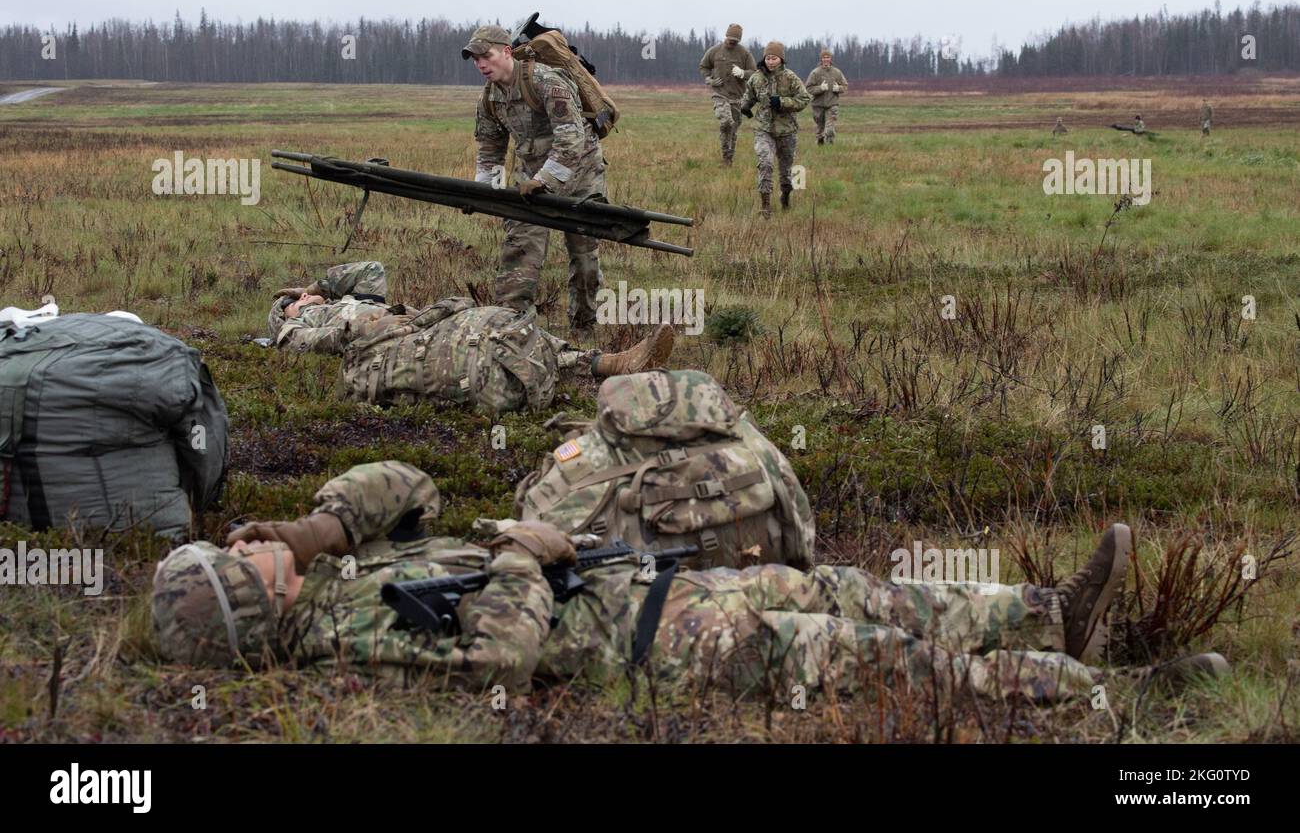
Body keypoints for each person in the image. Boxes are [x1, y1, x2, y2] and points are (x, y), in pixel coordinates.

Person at [152, 463, 1229, 703]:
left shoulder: (334, 565)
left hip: (650, 591)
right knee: (885, 663)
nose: (249, 544)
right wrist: (530, 553)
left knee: (850, 592)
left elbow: (410, 480)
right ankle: (1117, 695)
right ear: (255, 606)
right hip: (656, 647)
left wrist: (316, 523)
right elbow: (498, 655)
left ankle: (1054, 615)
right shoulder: (343, 638)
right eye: (240, 559)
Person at [267, 261, 674, 382]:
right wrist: (298, 311)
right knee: (493, 340)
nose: (303, 298)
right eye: (296, 300)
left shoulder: (345, 299)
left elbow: (370, 270)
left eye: (302, 296)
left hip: (420, 320)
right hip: (395, 342)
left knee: (506, 321)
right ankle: (607, 367)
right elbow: (317, 344)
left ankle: (607, 362)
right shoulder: (296, 327)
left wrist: (319, 285)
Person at [465, 24, 606, 331]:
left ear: (505, 52)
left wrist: (545, 181)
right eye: (475, 60)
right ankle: (509, 324)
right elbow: (491, 149)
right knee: (521, 245)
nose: (480, 65)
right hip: (531, 175)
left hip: (580, 172)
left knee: (583, 253)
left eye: (485, 56)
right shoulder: (489, 97)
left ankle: (584, 327)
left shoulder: (545, 81)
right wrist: (483, 191)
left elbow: (571, 140)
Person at [740, 42, 812, 217]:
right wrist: (745, 106)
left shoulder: (791, 77)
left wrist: (783, 102)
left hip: (787, 130)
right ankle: (765, 206)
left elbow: (804, 99)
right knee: (765, 163)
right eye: (768, 58)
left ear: (781, 59)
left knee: (787, 172)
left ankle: (786, 195)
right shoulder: (756, 77)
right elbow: (749, 95)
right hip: (763, 129)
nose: (771, 61)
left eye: (774, 58)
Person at [698, 24, 757, 166]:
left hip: (737, 97)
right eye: (730, 39)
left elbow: (755, 73)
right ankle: (726, 157)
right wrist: (709, 79)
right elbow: (704, 66)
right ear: (726, 36)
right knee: (726, 122)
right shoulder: (714, 51)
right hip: (720, 94)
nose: (732, 42)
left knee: (733, 129)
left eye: (735, 40)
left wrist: (743, 73)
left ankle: (728, 159)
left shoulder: (744, 53)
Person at [805, 49, 848, 145]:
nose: (826, 59)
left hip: (832, 104)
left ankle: (830, 146)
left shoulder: (837, 72)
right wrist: (820, 88)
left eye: (827, 57)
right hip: (818, 105)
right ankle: (820, 144)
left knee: (830, 128)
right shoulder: (815, 73)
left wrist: (839, 88)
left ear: (830, 59)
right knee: (820, 128)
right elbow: (808, 88)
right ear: (821, 59)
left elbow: (845, 86)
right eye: (824, 57)